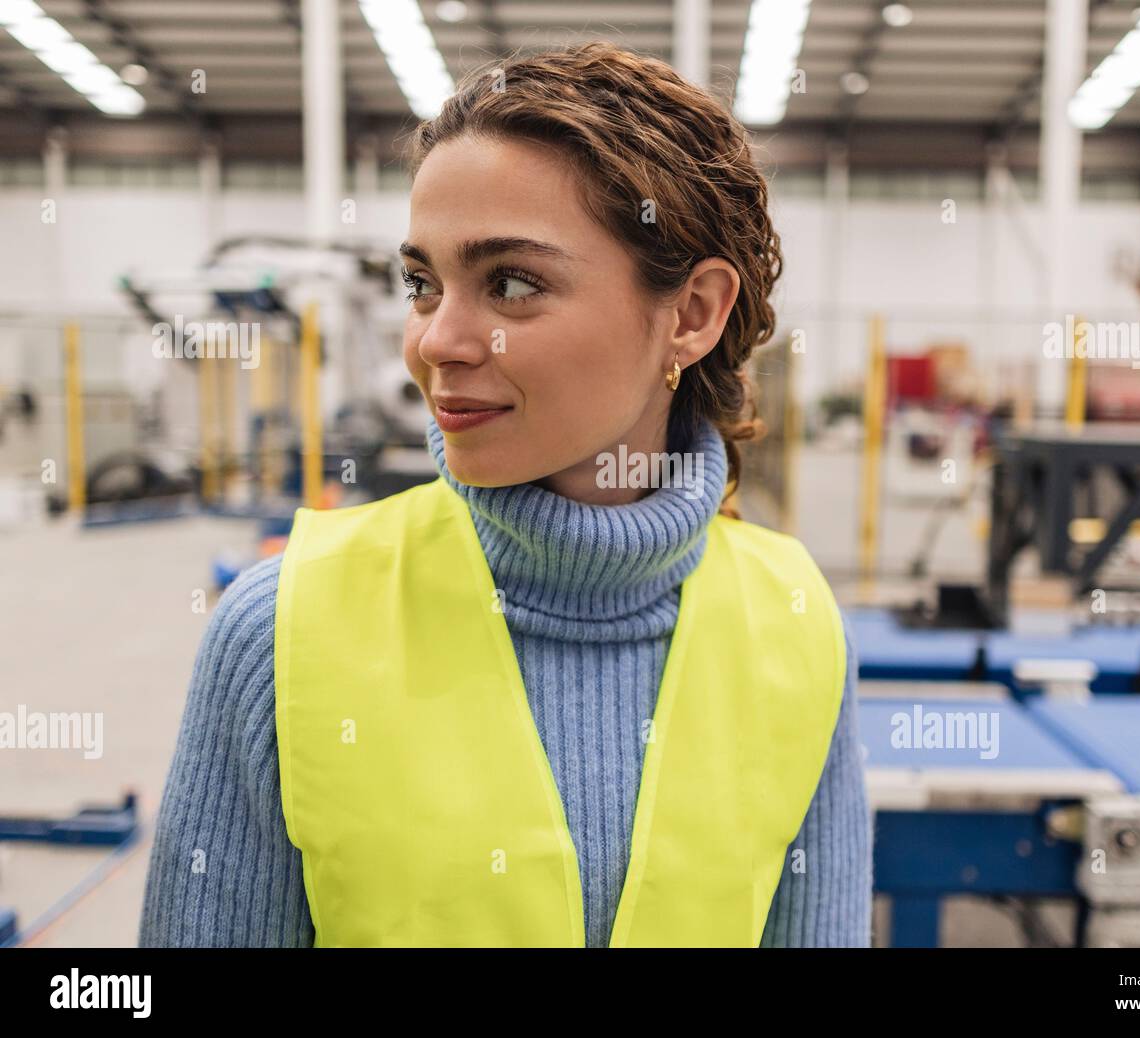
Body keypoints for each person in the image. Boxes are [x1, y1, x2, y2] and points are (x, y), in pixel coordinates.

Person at [139, 42, 871, 948]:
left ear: (690, 314)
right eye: (423, 284)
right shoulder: (281, 632)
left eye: (512, 284)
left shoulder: (796, 625)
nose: (436, 340)